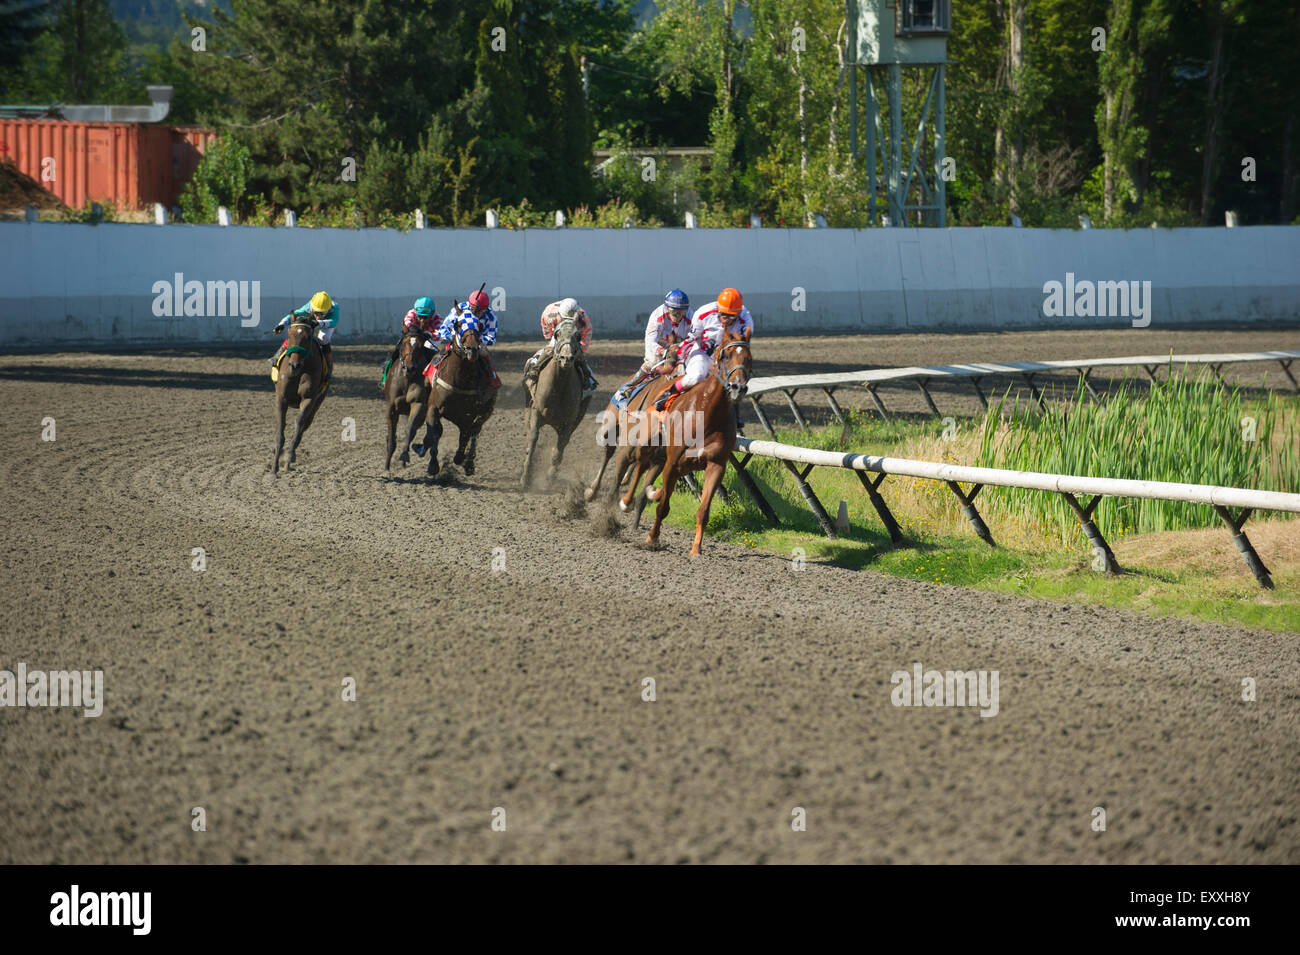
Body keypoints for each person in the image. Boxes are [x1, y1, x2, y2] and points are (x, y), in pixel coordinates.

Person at [653, 287, 752, 411]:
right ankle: (668, 394)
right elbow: (690, 340)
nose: (725, 320)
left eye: (731, 317)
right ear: (718, 309)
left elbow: (743, 348)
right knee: (697, 376)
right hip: (703, 352)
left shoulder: (746, 320)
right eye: (722, 314)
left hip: (726, 357)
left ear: (738, 313)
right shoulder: (704, 313)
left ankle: (734, 414)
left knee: (734, 382)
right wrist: (674, 362)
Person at [611, 289, 690, 406]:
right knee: (652, 363)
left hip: (680, 345)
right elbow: (651, 340)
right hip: (659, 344)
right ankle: (629, 386)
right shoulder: (657, 316)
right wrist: (663, 351)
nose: (678, 315)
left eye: (682, 312)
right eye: (674, 311)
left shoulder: (692, 316)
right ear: (667, 308)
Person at [521, 297, 597, 405]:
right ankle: (535, 369)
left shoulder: (583, 318)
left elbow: (587, 333)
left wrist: (580, 348)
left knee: (578, 355)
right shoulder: (549, 314)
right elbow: (546, 331)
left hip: (574, 337)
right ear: (560, 315)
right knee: (550, 349)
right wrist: (553, 341)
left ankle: (586, 377)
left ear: (576, 316)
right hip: (556, 334)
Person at [433, 288, 500, 389]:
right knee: (439, 356)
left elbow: (492, 338)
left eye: (480, 311)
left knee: (485, 355)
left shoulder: (491, 317)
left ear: (486, 309)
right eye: (474, 310)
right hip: (457, 343)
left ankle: (492, 379)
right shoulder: (459, 309)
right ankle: (432, 375)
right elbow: (443, 329)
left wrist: (476, 340)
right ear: (469, 305)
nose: (477, 313)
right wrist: (455, 337)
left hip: (478, 345)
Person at [270, 291, 339, 383]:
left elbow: (333, 322)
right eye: (316, 313)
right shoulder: (309, 307)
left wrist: (319, 322)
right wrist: (281, 324)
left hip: (327, 323)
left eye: (322, 313)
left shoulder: (334, 308)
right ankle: (279, 353)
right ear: (312, 308)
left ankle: (329, 365)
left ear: (329, 309)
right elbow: (293, 315)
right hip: (315, 319)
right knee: (297, 333)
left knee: (324, 338)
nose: (318, 316)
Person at [381, 296, 440, 386]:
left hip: (429, 340)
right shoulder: (411, 314)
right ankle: (385, 379)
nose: (422, 320)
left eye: (425, 317)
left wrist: (429, 334)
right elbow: (408, 327)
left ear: (431, 315)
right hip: (412, 336)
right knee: (395, 352)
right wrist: (420, 333)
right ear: (416, 313)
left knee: (436, 357)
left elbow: (440, 333)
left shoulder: (437, 318)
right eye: (420, 317)